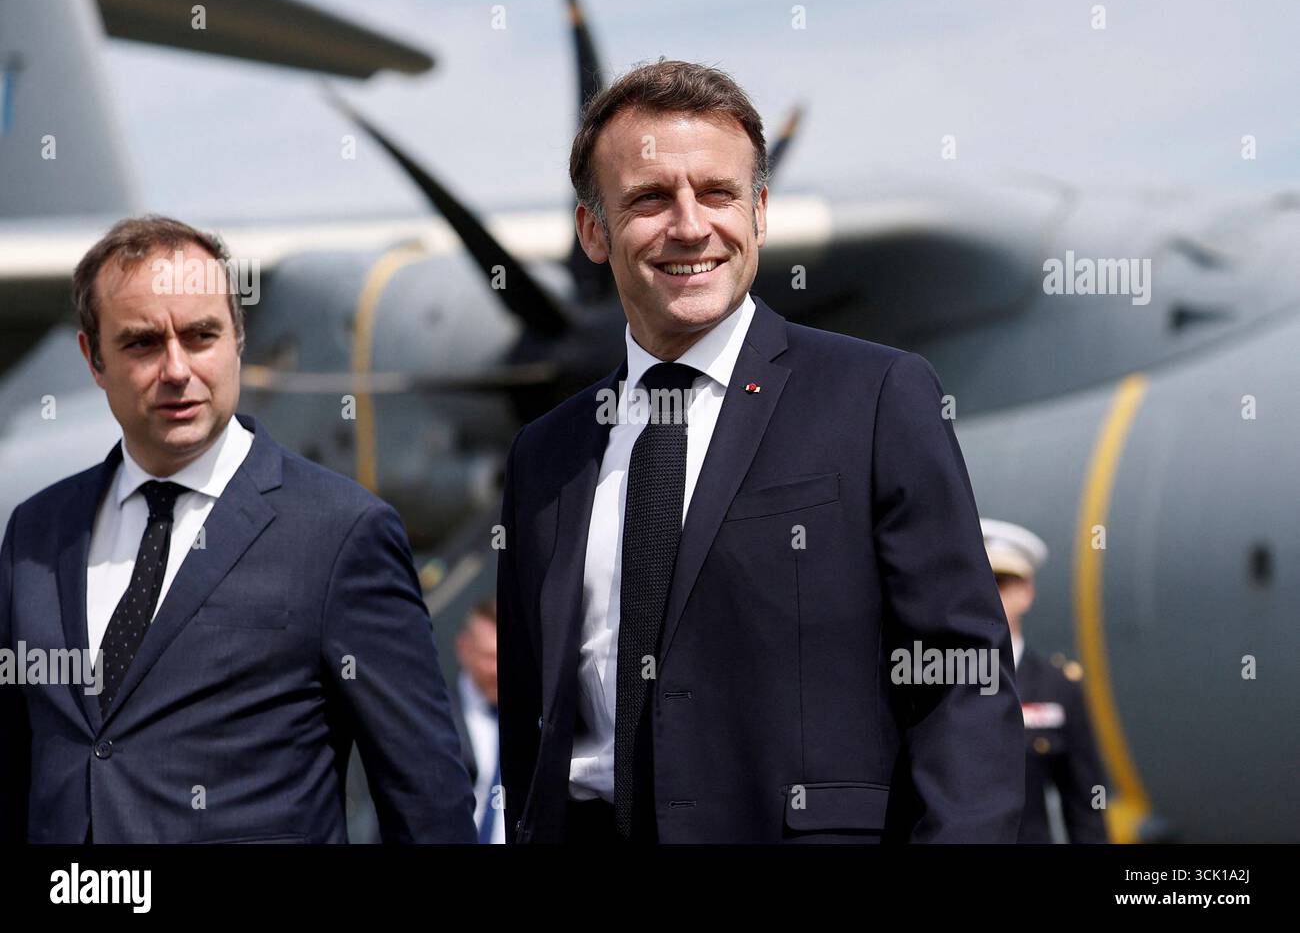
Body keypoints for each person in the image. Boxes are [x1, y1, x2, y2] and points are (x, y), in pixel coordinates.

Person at [496, 60, 1023, 843]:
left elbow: (961, 678)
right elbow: (530, 720)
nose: (689, 225)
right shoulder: (548, 453)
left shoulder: (876, 398)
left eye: (717, 193)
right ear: (593, 232)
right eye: (648, 199)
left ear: (761, 211)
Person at [0, 215, 476, 843]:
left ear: (238, 339)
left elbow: (427, 799)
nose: (176, 369)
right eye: (143, 343)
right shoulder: (37, 533)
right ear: (94, 359)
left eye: (200, 336)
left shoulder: (339, 534)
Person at [981, 517, 1109, 843]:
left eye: (999, 582)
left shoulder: (1057, 687)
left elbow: (1084, 802)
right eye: (978, 581)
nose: (987, 594)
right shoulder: (932, 677)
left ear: (1025, 592)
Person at [449, 597, 503, 844]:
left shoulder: (538, 707)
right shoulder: (439, 720)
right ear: (464, 649)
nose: (498, 668)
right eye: (489, 656)